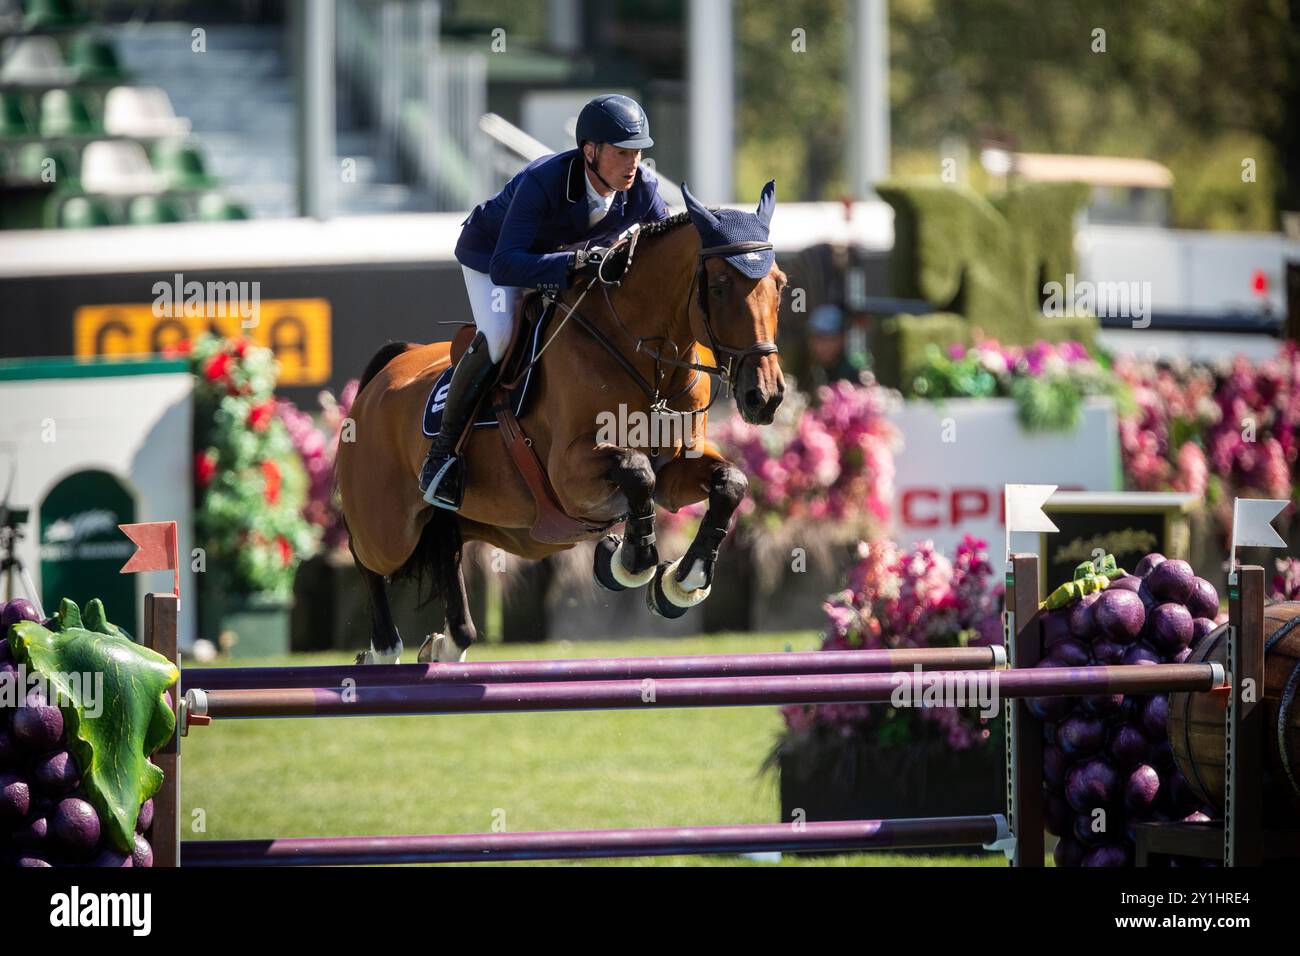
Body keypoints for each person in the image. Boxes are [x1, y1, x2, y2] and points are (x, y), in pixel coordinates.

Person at [420, 93, 670, 509]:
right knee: (500, 335)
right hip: (494, 258)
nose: (633, 163)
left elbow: (663, 246)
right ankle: (442, 454)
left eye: (638, 152)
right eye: (623, 152)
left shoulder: (642, 187)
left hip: (562, 266)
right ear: (590, 151)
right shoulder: (545, 180)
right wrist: (575, 262)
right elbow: (506, 264)